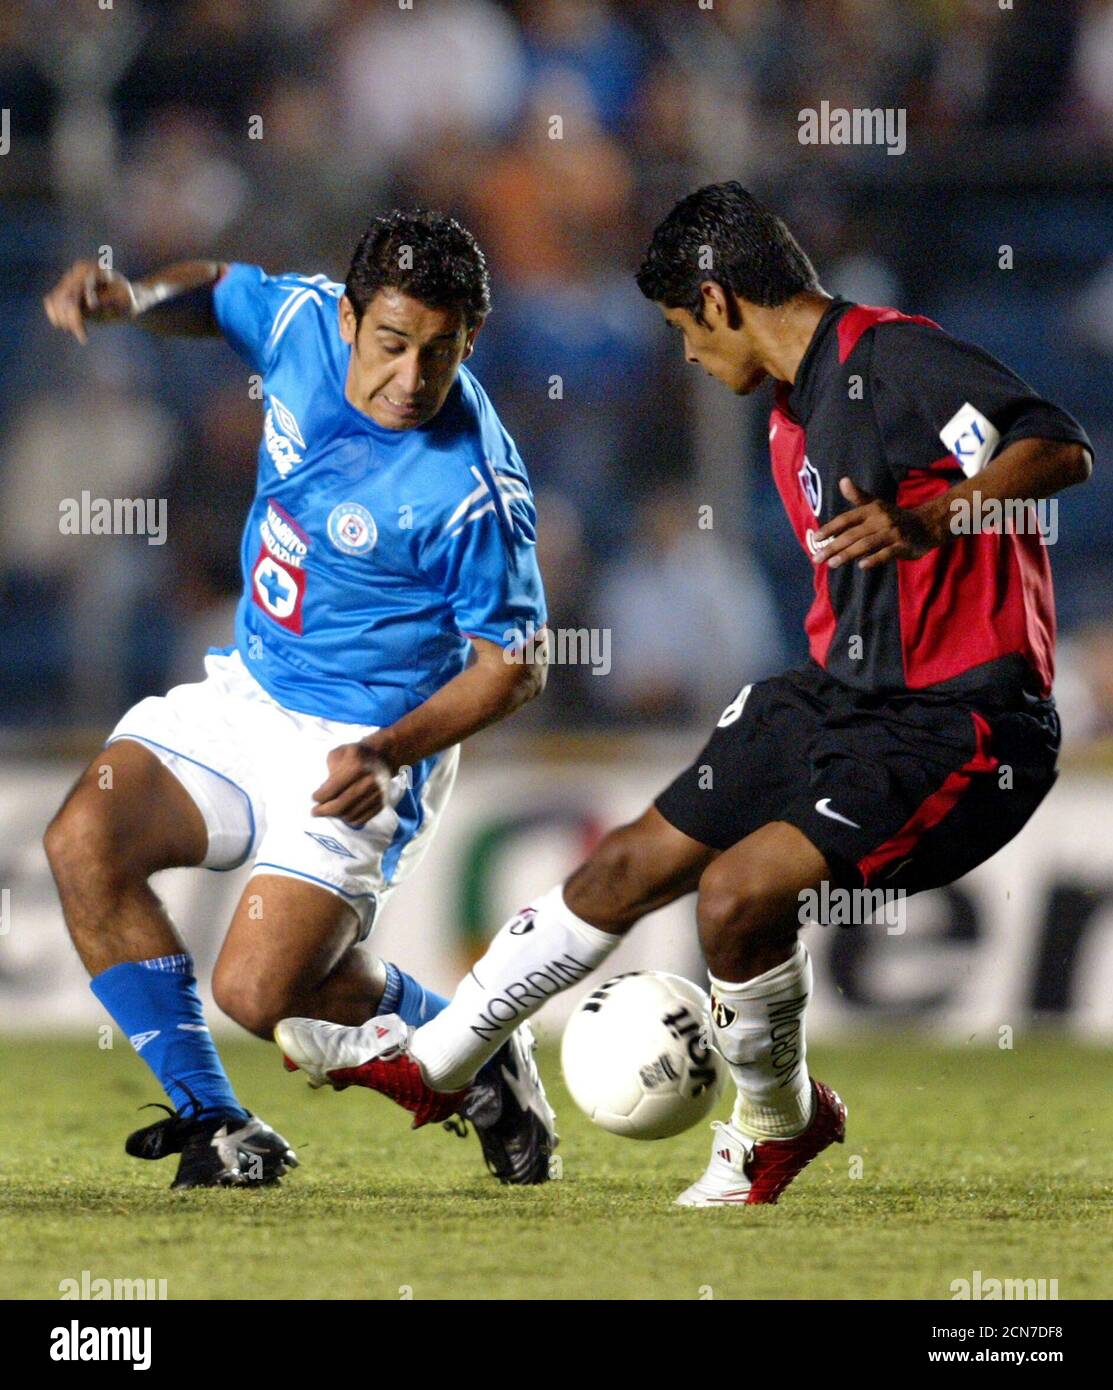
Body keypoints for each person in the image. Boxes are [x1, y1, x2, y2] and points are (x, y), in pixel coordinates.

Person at [276, 183, 1094, 1206]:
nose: (687, 356)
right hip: (833, 698)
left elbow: (1057, 443)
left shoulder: (892, 359)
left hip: (962, 722)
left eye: (680, 329)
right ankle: (437, 1063)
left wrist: (938, 519)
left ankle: (772, 1128)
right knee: (624, 864)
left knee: (738, 894)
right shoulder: (797, 410)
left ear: (717, 301)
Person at [41, 210, 556, 1188]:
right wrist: (138, 297)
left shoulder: (471, 486)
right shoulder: (304, 322)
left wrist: (387, 753)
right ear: (352, 316)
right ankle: (215, 1125)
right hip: (249, 690)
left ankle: (476, 1052)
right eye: (394, 344)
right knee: (83, 842)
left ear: (470, 344)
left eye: (440, 356)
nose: (411, 379)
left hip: (366, 735)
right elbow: (223, 288)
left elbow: (515, 665)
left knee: (260, 988)